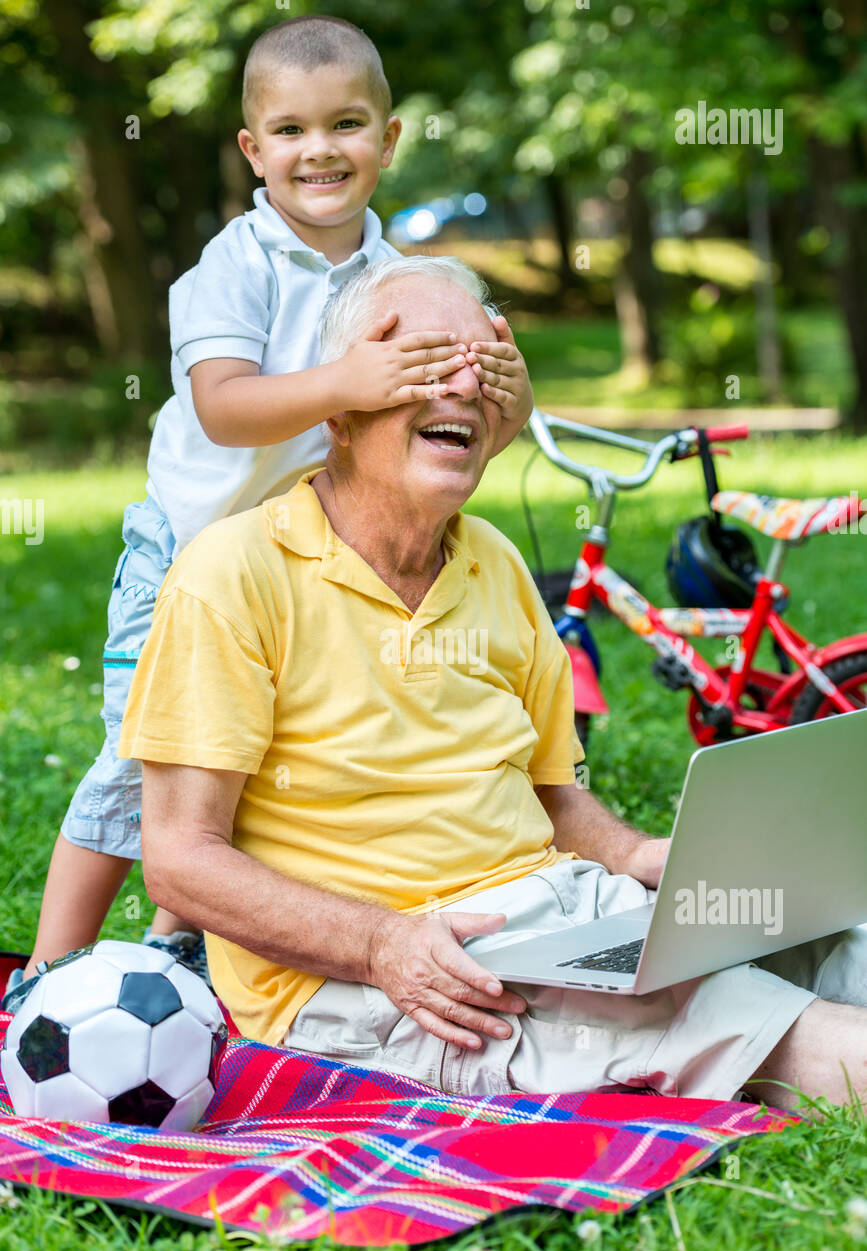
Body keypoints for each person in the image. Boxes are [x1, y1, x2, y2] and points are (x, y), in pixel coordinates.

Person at [114, 254, 867, 1112]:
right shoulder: (234, 572)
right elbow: (178, 859)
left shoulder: (494, 563)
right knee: (732, 1011)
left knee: (833, 936)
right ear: (339, 411)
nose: (463, 388)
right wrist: (380, 943)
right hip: (378, 978)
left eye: (485, 366)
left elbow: (550, 795)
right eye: (425, 363)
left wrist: (642, 859)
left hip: (559, 915)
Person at [4, 16, 532, 1008]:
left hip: (294, 564)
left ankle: (176, 950)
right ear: (253, 149)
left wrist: (511, 386)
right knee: (140, 765)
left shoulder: (395, 277)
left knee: (247, 767)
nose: (319, 149)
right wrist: (346, 378)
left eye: (346, 124)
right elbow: (223, 405)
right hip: (186, 553)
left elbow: (477, 425)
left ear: (389, 139)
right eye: (290, 130)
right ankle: (44, 971)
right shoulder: (234, 266)